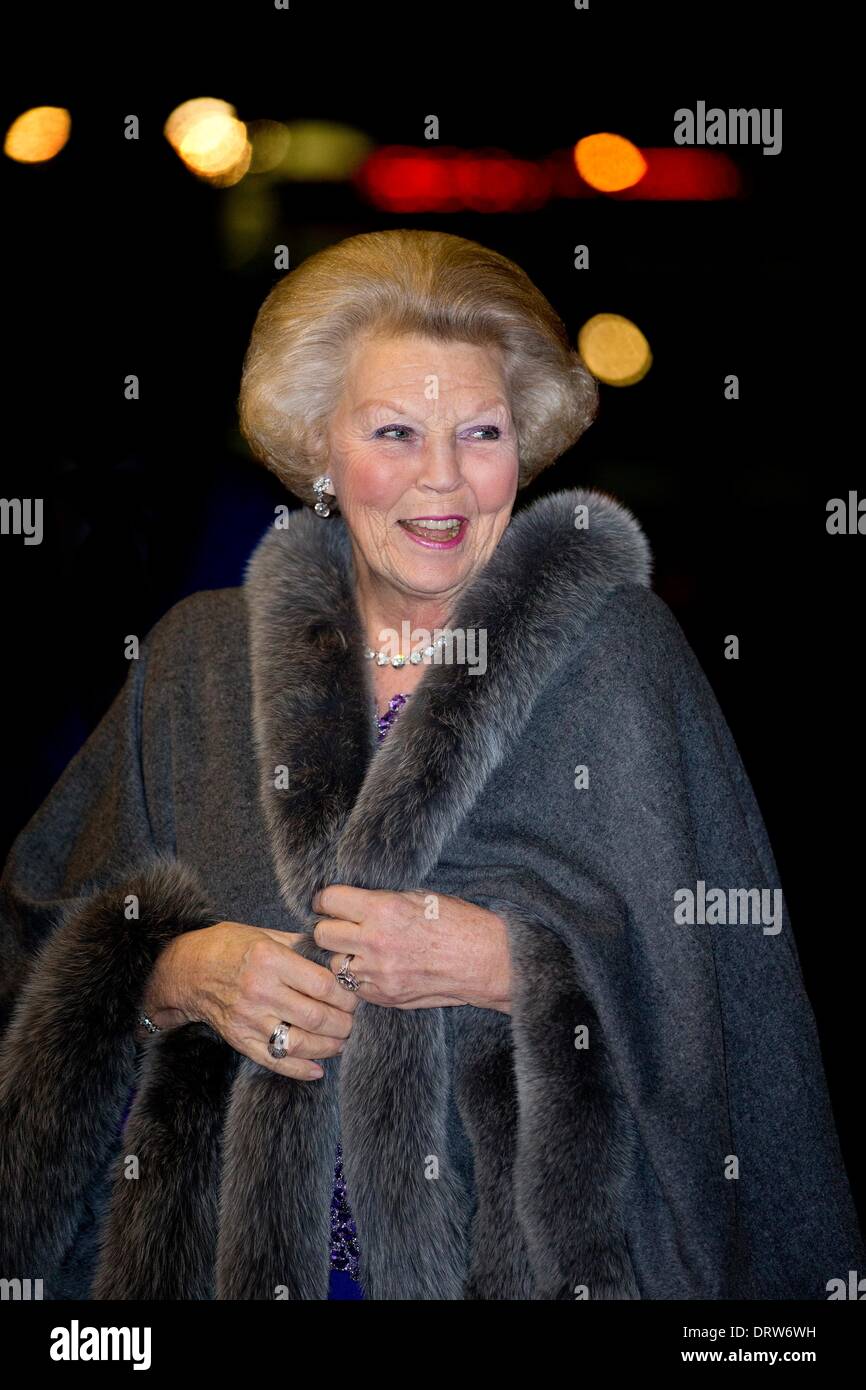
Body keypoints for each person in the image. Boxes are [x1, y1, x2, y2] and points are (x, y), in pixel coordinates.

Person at [0, 230, 862, 1301]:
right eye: (395, 432)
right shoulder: (197, 660)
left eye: (480, 432)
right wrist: (173, 973)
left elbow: (730, 998)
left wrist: (520, 967)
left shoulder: (618, 656)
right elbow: (31, 935)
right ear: (320, 448)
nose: (442, 480)